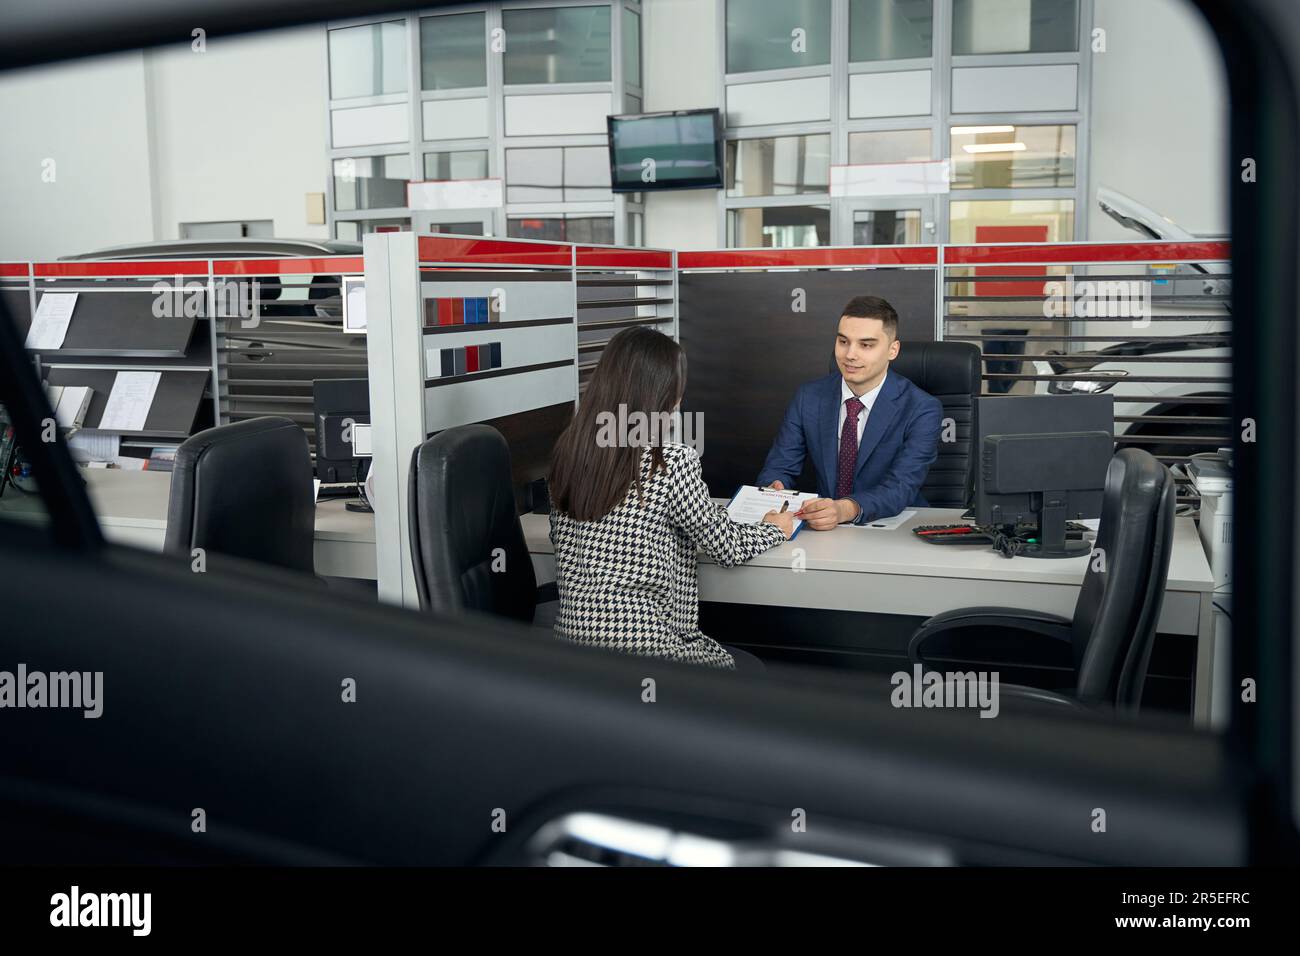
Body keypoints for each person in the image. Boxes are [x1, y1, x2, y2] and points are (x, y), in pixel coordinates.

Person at [548, 326, 793, 673]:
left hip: (574, 651)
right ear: (661, 395)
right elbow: (726, 547)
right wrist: (773, 528)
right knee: (749, 672)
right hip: (649, 649)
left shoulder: (566, 453)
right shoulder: (673, 460)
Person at [757, 295, 942, 529]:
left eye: (866, 345)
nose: (850, 355)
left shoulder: (922, 408)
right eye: (843, 341)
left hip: (895, 529)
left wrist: (844, 508)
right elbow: (780, 466)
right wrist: (774, 489)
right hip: (824, 529)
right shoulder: (809, 397)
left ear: (893, 350)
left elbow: (900, 487)